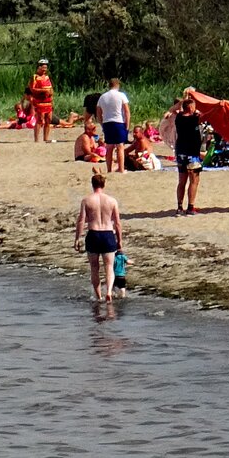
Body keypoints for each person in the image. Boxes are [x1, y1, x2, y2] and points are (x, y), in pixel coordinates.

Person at [72, 171, 123, 302]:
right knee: (109, 267)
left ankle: (98, 295)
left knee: (94, 268)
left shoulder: (86, 200)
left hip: (93, 234)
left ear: (92, 184)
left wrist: (77, 238)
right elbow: (117, 222)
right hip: (107, 234)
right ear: (103, 184)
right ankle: (109, 292)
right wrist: (119, 240)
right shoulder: (112, 200)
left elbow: (81, 220)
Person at [172, 90, 204, 214]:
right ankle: (190, 207)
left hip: (181, 153)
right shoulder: (195, 118)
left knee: (182, 180)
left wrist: (184, 99)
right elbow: (208, 114)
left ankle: (179, 207)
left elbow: (173, 108)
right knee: (194, 180)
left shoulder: (179, 117)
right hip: (192, 154)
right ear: (190, 107)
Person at [96, 78, 131, 174]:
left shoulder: (103, 97)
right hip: (118, 122)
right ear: (118, 85)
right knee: (120, 146)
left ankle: (109, 169)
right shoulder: (121, 95)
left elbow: (98, 112)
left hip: (107, 123)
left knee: (109, 147)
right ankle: (121, 168)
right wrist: (127, 126)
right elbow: (127, 111)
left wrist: (102, 123)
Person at [27, 60, 56, 145]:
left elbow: (50, 87)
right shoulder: (35, 77)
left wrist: (51, 93)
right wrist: (43, 91)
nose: (44, 69)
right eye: (43, 67)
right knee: (40, 119)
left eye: (45, 68)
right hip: (40, 101)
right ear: (38, 68)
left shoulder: (47, 77)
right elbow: (32, 89)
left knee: (49, 119)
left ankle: (46, 138)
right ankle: (36, 139)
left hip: (48, 101)